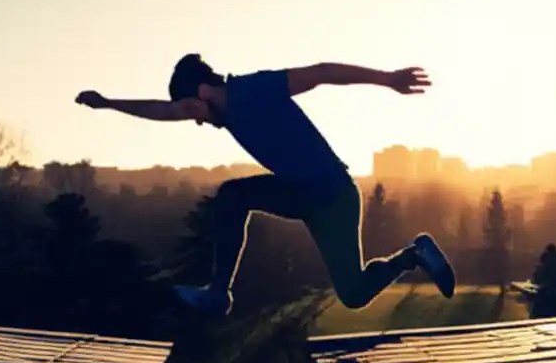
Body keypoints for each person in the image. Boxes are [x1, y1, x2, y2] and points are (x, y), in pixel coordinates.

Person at [75, 54, 455, 316]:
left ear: (204, 93)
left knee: (353, 294)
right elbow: (161, 109)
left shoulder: (256, 89)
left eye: (191, 111)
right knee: (233, 197)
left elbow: (320, 72)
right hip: (303, 195)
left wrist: (387, 79)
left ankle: (414, 254)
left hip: (332, 196)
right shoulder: (221, 111)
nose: (193, 121)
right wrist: (108, 103)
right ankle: (218, 293)